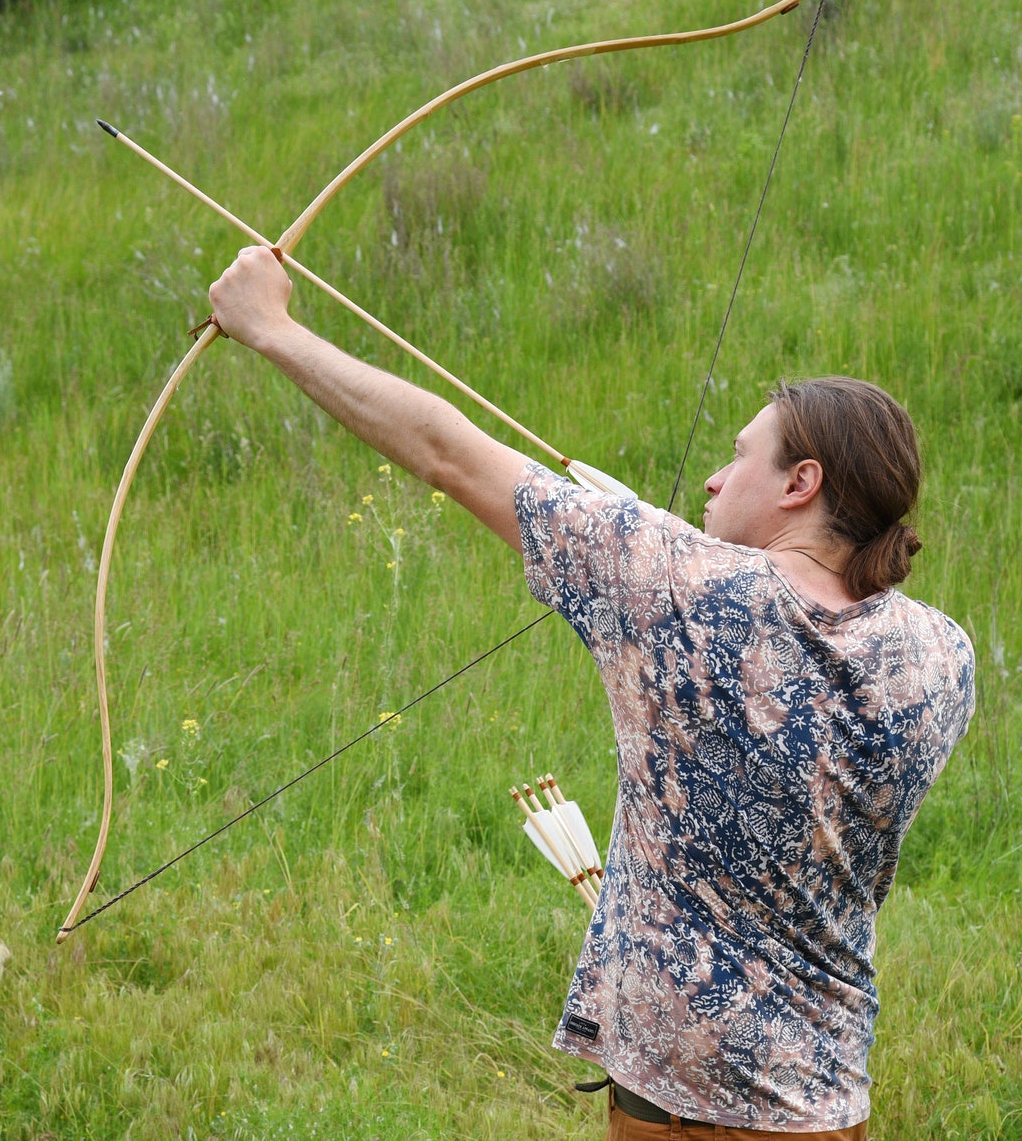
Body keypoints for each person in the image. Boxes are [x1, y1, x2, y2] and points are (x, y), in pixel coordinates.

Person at [208, 246, 976, 1138]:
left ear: (803, 484)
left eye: (741, 460)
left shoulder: (668, 582)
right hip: (831, 1108)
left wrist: (271, 328)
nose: (715, 482)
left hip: (676, 1117)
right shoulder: (941, 655)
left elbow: (446, 453)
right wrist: (650, 540)